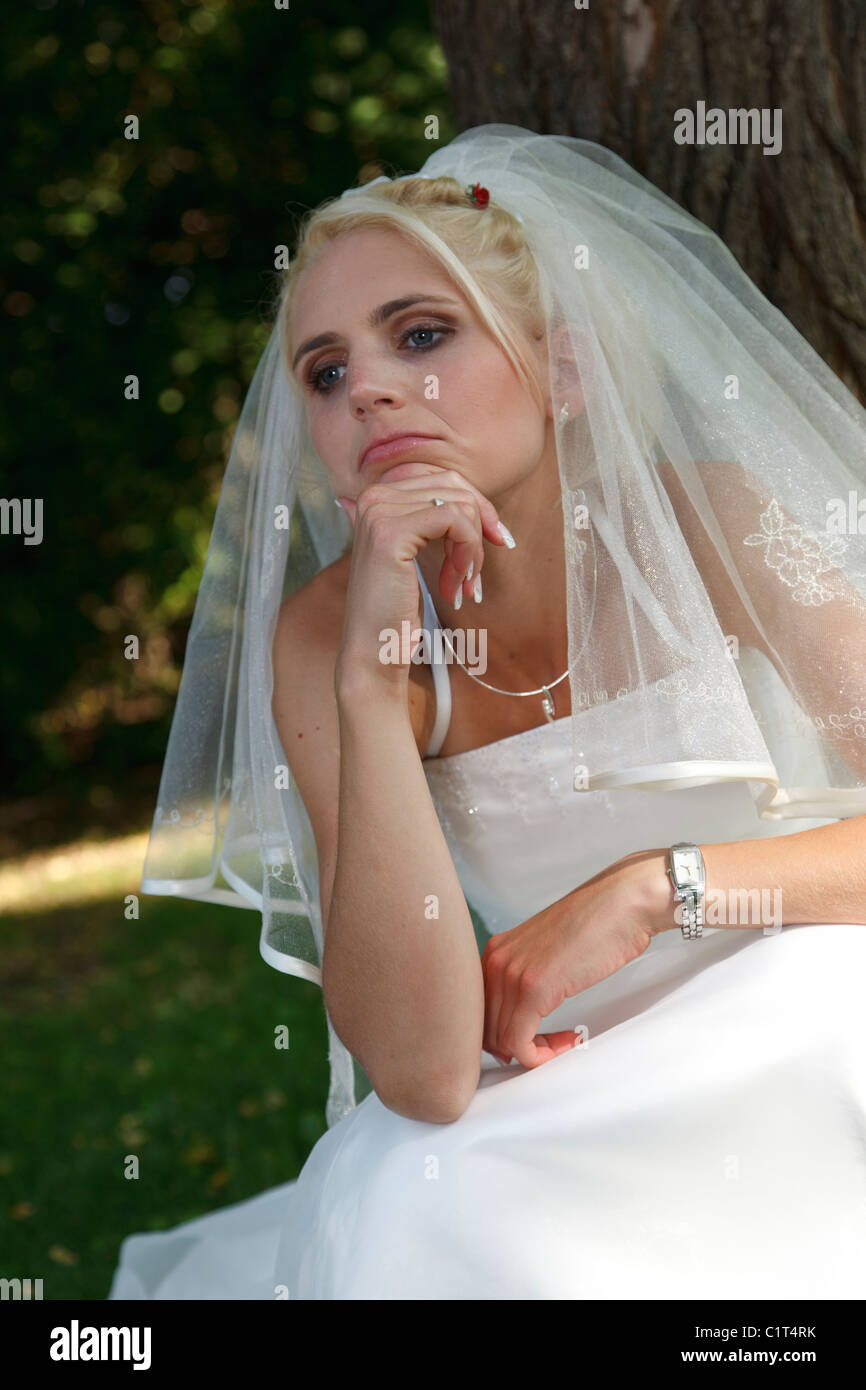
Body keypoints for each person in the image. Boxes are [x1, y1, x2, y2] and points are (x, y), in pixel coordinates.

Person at [108, 124, 866, 1300]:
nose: (364, 385)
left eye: (419, 335)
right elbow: (419, 1070)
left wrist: (651, 888)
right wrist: (370, 683)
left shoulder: (718, 518)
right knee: (417, 1205)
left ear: (560, 375)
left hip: (790, 984)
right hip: (556, 1073)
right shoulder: (320, 635)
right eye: (323, 370)